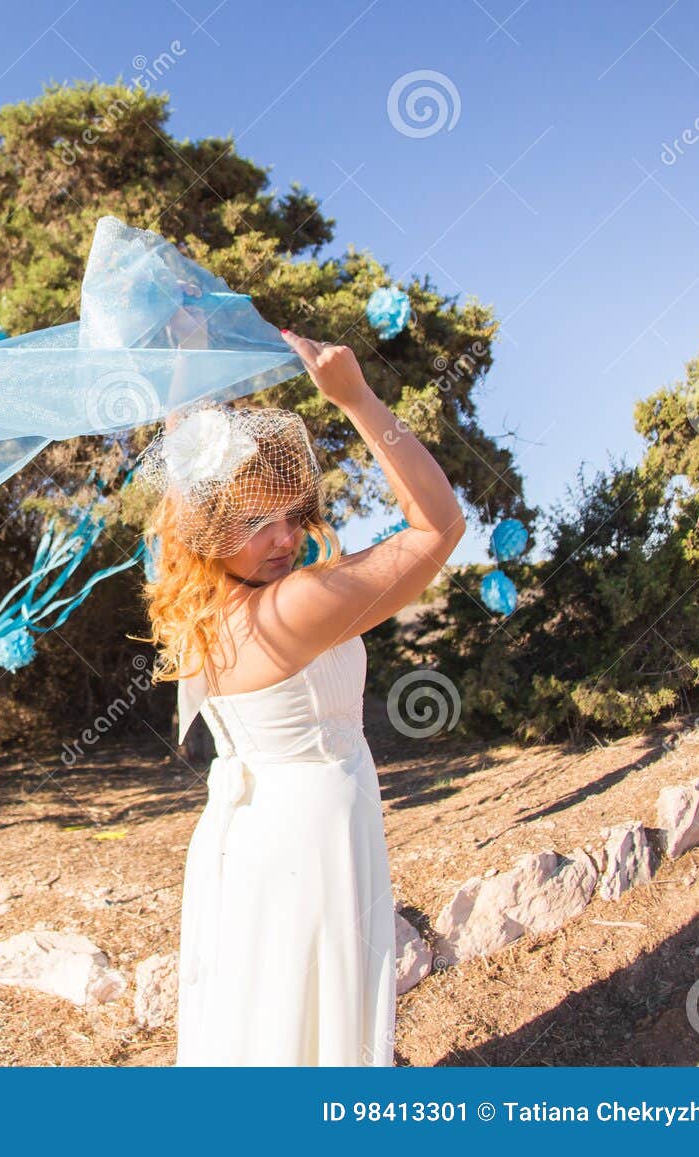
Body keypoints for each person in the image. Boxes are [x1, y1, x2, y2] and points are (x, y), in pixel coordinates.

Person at [140, 329, 466, 1065]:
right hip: (313, 836)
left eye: (289, 511)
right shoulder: (295, 607)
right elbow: (440, 525)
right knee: (312, 1024)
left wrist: (186, 358)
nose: (285, 537)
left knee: (265, 1015)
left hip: (252, 840)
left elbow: (182, 461)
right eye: (255, 523)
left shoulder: (197, 595)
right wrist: (356, 396)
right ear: (208, 523)